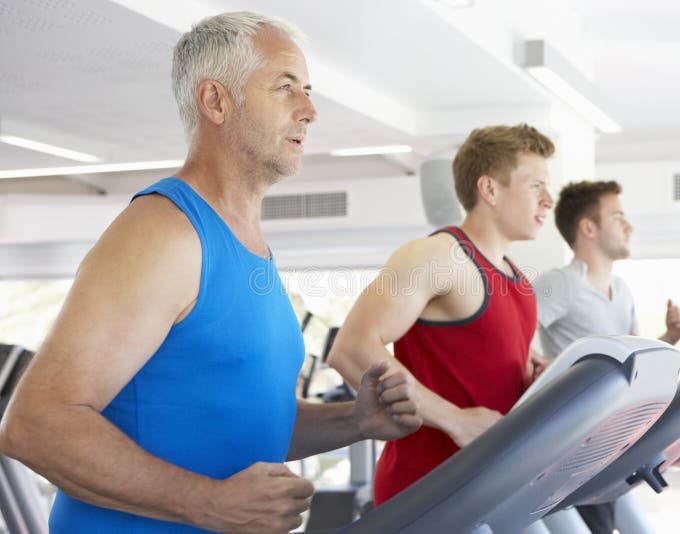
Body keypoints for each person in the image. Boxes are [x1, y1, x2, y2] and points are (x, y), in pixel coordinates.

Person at [0, 12, 421, 534]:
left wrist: (354, 422)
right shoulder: (164, 232)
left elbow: (244, 419)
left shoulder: (251, 246)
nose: (310, 110)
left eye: (307, 90)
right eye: (285, 87)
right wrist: (206, 501)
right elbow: (34, 424)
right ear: (216, 101)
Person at [328, 123, 555, 505]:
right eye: (536, 186)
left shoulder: (516, 280)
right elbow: (351, 348)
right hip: (427, 490)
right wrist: (457, 420)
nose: (549, 199)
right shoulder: (436, 256)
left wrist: (536, 378)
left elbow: (483, 364)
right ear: (490, 190)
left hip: (492, 485)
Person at [534, 179, 680, 533]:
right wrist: (542, 368)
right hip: (573, 444)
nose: (628, 226)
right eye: (618, 217)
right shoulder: (559, 283)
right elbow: (515, 335)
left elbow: (633, 363)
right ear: (588, 227)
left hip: (614, 437)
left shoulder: (621, 289)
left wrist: (670, 337)